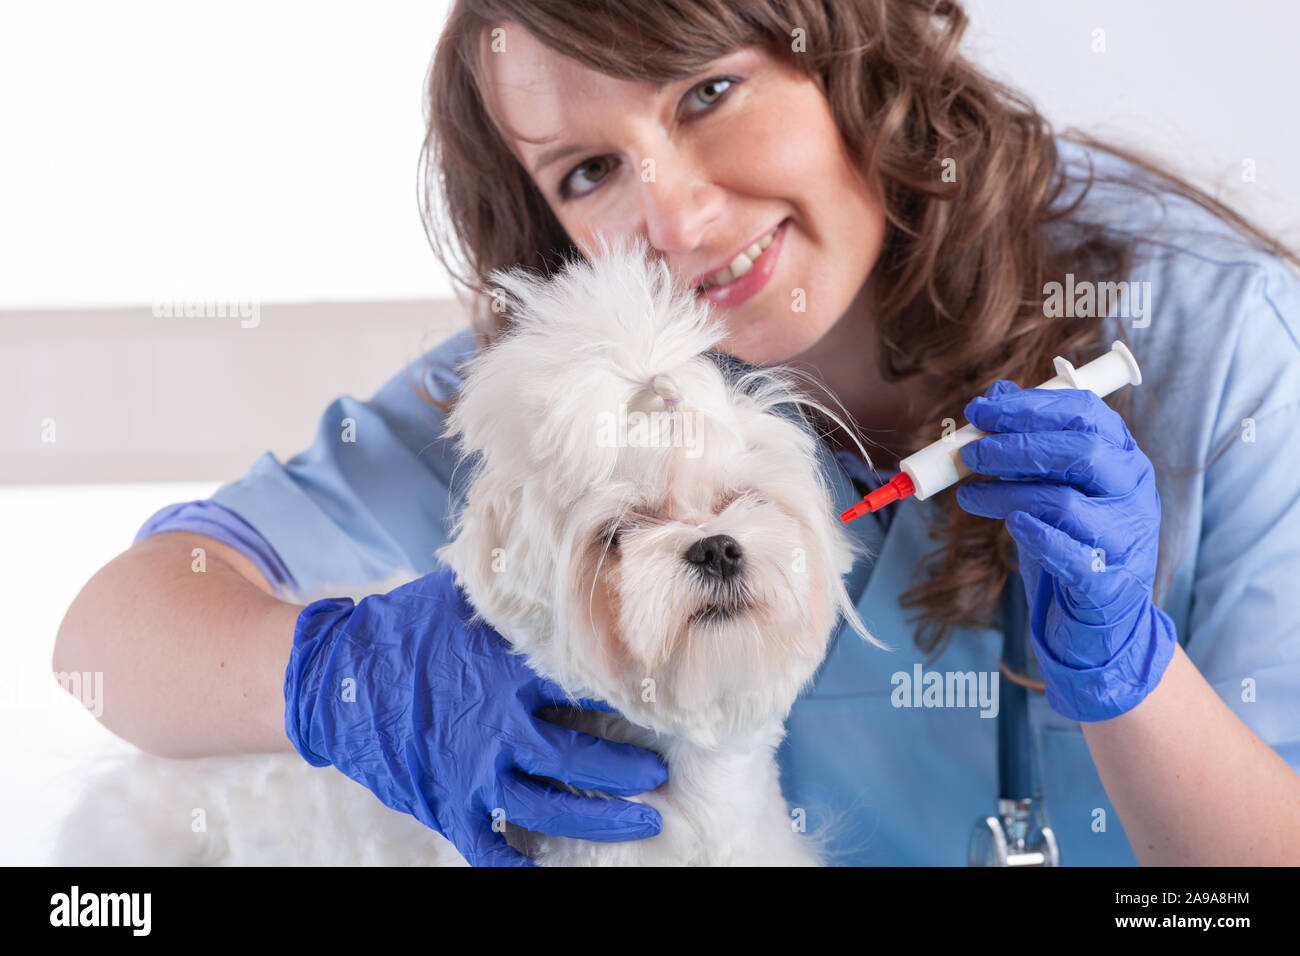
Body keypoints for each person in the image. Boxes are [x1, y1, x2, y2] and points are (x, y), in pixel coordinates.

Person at [55, 0, 1300, 866]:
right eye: (587, 170)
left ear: (848, 54)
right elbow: (109, 639)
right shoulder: (557, 402)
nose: (682, 217)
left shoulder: (1215, 340)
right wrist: (342, 676)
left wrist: (1132, 677)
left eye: (708, 93)